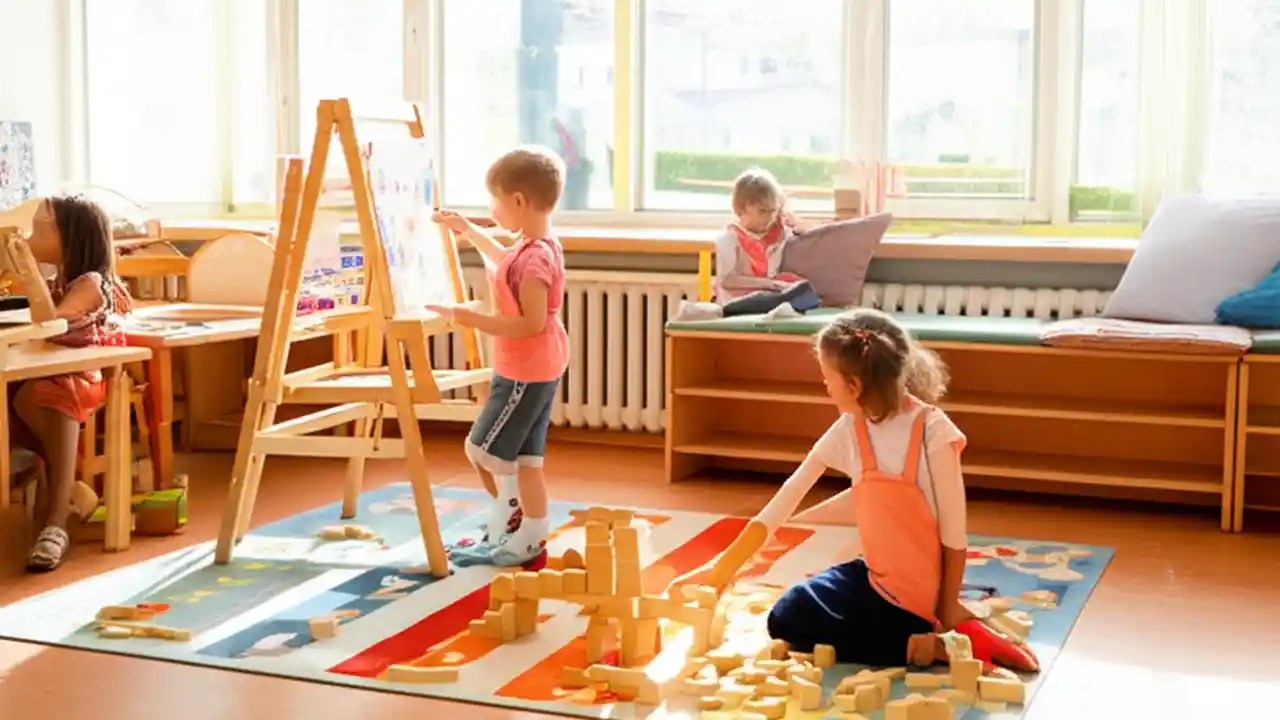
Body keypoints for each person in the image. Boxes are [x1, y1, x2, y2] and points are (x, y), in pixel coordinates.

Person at [681, 309, 1040, 672]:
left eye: (827, 378)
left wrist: (948, 608)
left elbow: (954, 534)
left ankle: (929, 647)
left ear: (853, 386)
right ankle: (914, 639)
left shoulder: (933, 433)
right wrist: (719, 572)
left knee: (830, 627)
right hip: (872, 573)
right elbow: (784, 501)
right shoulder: (851, 427)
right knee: (786, 614)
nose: (825, 386)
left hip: (913, 597)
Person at [429, 146, 569, 567]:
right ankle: (529, 531)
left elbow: (529, 323)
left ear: (519, 201)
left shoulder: (536, 259)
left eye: (495, 201)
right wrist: (469, 230)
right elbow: (503, 259)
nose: (492, 209)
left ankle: (512, 520)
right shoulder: (531, 246)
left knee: (483, 451)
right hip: (534, 366)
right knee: (525, 460)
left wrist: (467, 317)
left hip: (527, 370)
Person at [12, 195, 133, 572]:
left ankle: (57, 519)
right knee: (19, 393)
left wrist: (27, 269)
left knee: (47, 392)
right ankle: (67, 488)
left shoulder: (91, 283)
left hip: (81, 377)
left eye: (39, 228)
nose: (30, 235)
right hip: (48, 372)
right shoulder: (60, 281)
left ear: (68, 235)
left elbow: (53, 325)